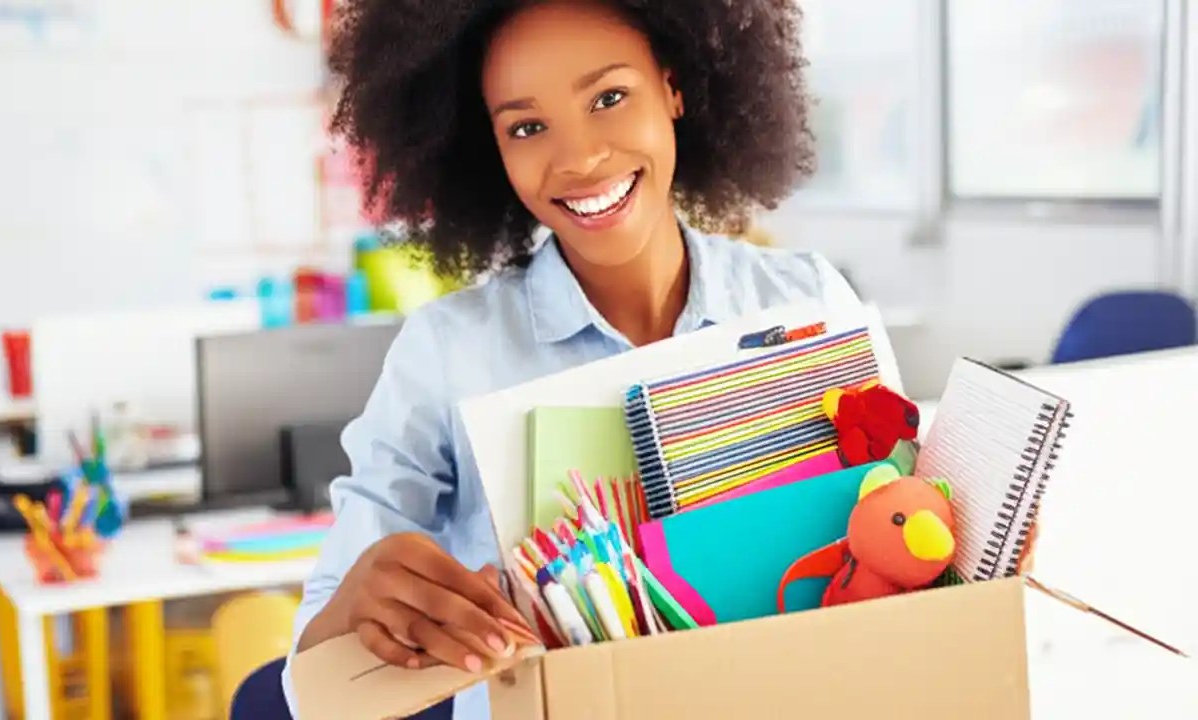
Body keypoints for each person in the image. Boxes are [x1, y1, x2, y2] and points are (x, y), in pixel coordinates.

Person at [282, 0, 865, 717]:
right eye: (527, 127)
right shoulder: (448, 353)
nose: (581, 157)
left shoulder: (805, 300)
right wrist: (360, 607)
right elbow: (310, 686)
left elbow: (891, 551)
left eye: (610, 98)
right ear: (487, 147)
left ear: (675, 87)